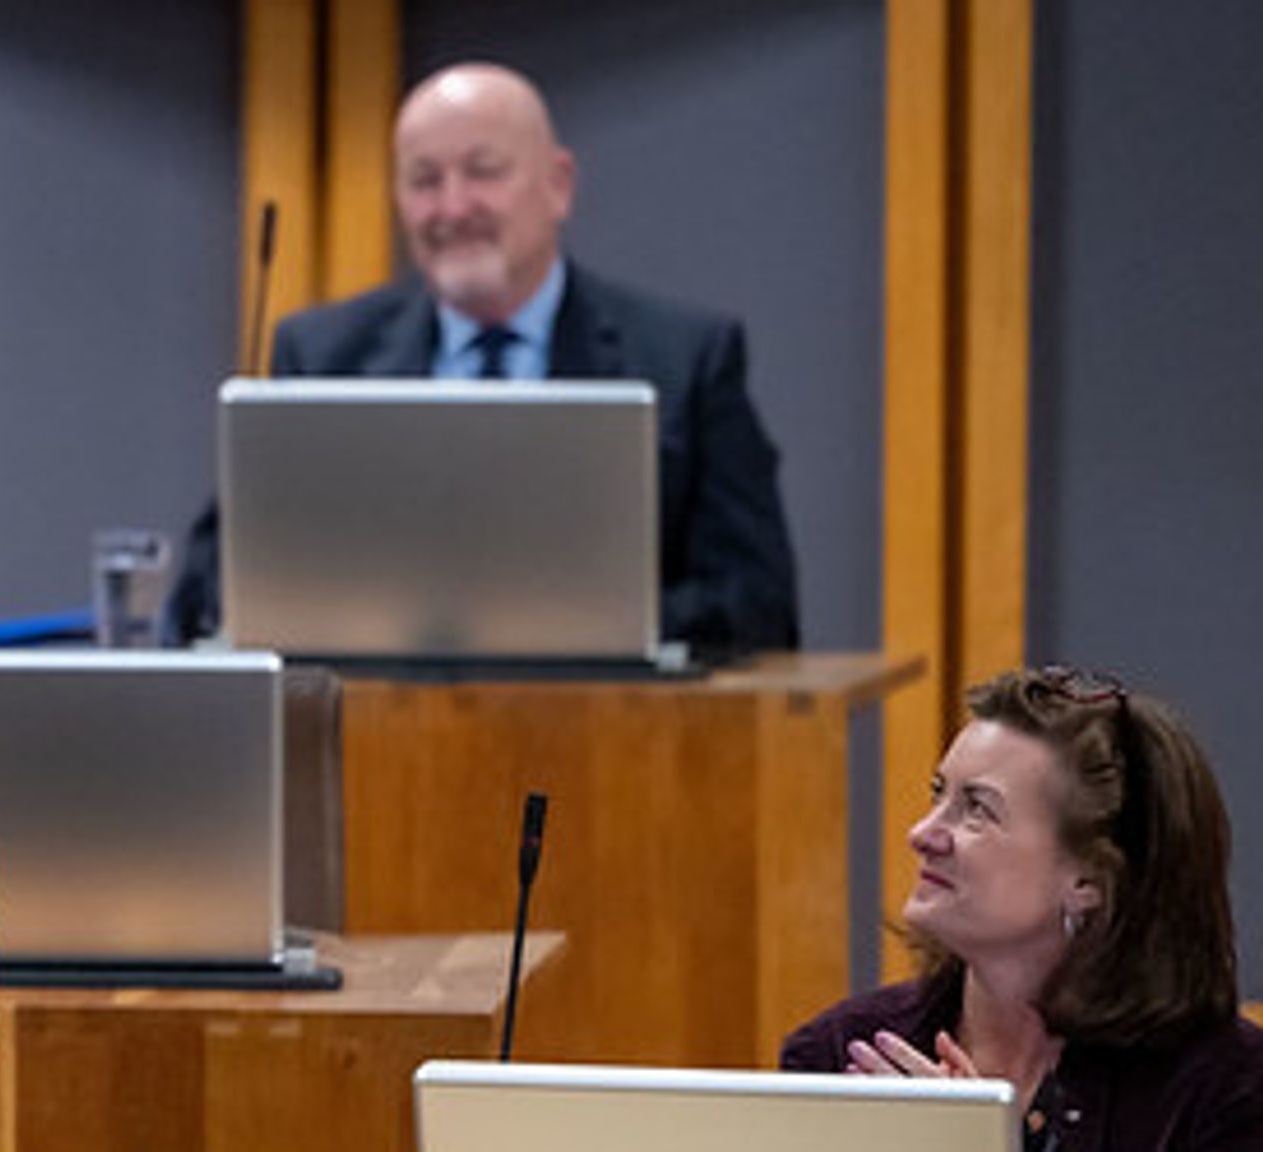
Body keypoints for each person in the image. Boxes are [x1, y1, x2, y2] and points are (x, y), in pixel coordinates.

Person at [167, 61, 798, 653]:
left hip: (619, 743)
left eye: (483, 171)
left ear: (559, 185)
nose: (453, 207)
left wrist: (578, 631)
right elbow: (212, 589)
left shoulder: (683, 360)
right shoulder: (323, 356)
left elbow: (760, 603)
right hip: (378, 745)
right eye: (424, 180)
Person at [782, 667, 1263, 1149]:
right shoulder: (840, 1054)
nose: (922, 834)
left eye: (977, 810)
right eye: (938, 793)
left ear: (1090, 879)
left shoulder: (1225, 1092)